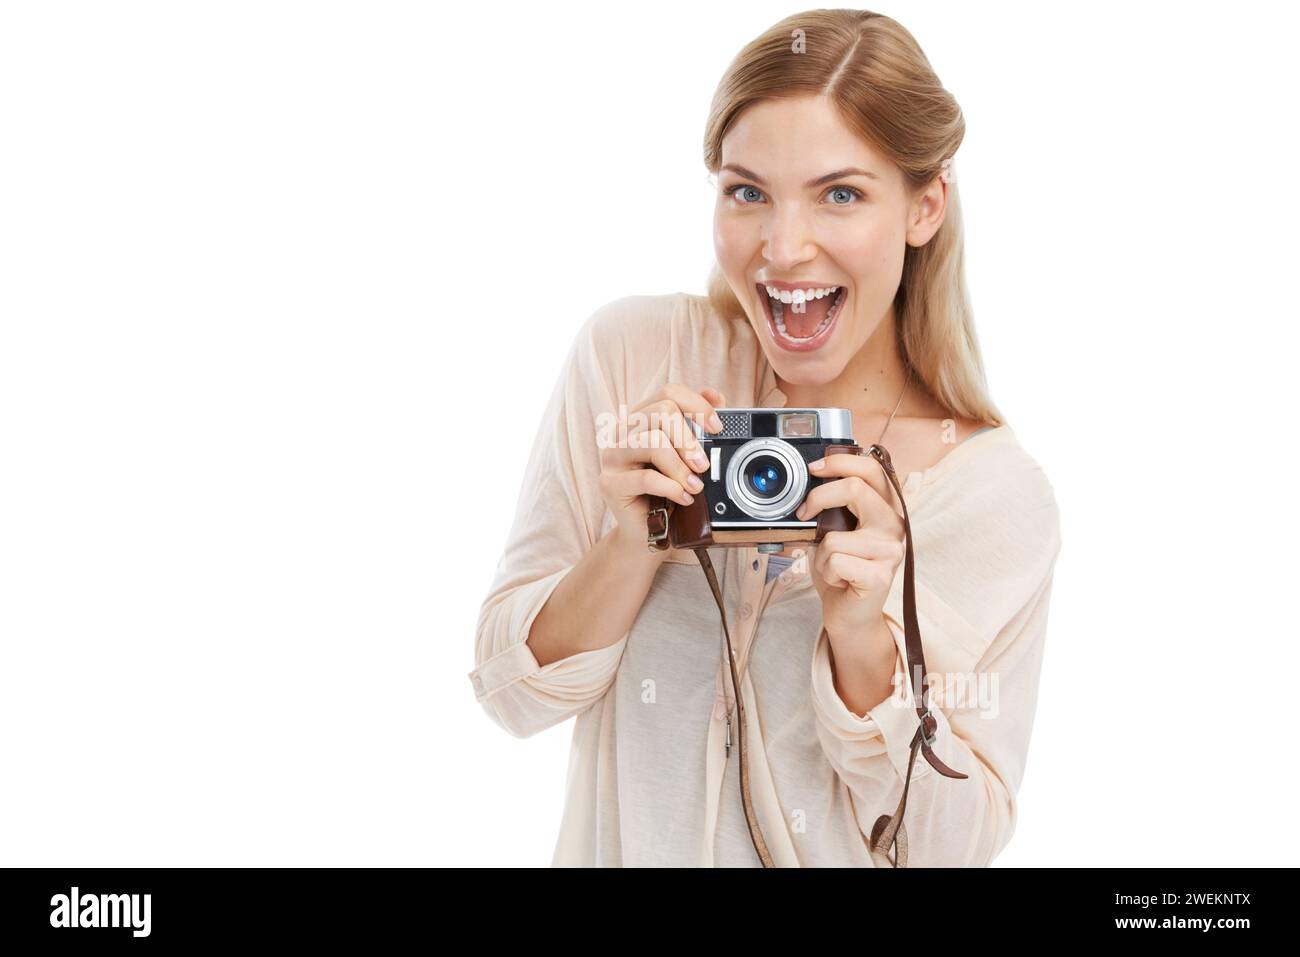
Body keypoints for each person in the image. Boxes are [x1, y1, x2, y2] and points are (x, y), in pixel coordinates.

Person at [468, 9, 1061, 867]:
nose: (783, 250)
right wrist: (636, 539)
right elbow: (508, 694)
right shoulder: (636, 357)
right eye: (747, 191)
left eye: (842, 193)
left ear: (925, 205)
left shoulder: (995, 495)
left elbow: (948, 848)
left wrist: (862, 641)